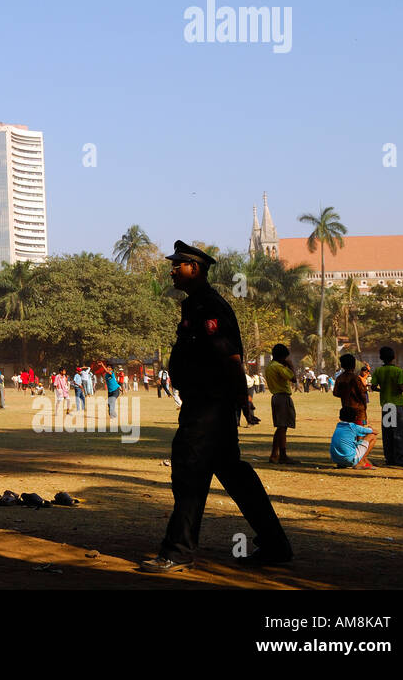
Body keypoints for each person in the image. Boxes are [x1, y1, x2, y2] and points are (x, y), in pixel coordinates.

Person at [141, 241, 292, 573]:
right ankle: (276, 545)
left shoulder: (209, 306)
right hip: (208, 404)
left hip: (208, 407)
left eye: (177, 264)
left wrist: (245, 401)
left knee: (189, 473)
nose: (172, 270)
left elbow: (231, 357)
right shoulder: (194, 305)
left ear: (194, 268)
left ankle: (177, 551)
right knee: (233, 473)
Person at [370, 346, 403, 466]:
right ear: (394, 357)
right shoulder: (398, 371)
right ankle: (402, 459)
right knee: (399, 433)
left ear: (381, 358)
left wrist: (382, 390)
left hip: (386, 405)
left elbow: (373, 387)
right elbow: (401, 387)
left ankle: (390, 458)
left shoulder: (378, 371)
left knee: (387, 433)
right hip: (396, 405)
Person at [264, 344, 297, 464]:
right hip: (282, 397)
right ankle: (281, 455)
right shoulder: (279, 367)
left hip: (276, 397)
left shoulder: (270, 366)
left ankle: (275, 454)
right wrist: (291, 365)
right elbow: (293, 378)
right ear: (283, 356)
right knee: (282, 427)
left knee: (281, 427)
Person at [332, 353, 368, 426]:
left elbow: (335, 393)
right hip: (358, 410)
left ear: (342, 366)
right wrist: (364, 406)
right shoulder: (356, 378)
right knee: (359, 432)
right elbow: (362, 394)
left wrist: (345, 394)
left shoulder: (340, 378)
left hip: (346, 409)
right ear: (354, 365)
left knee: (349, 430)